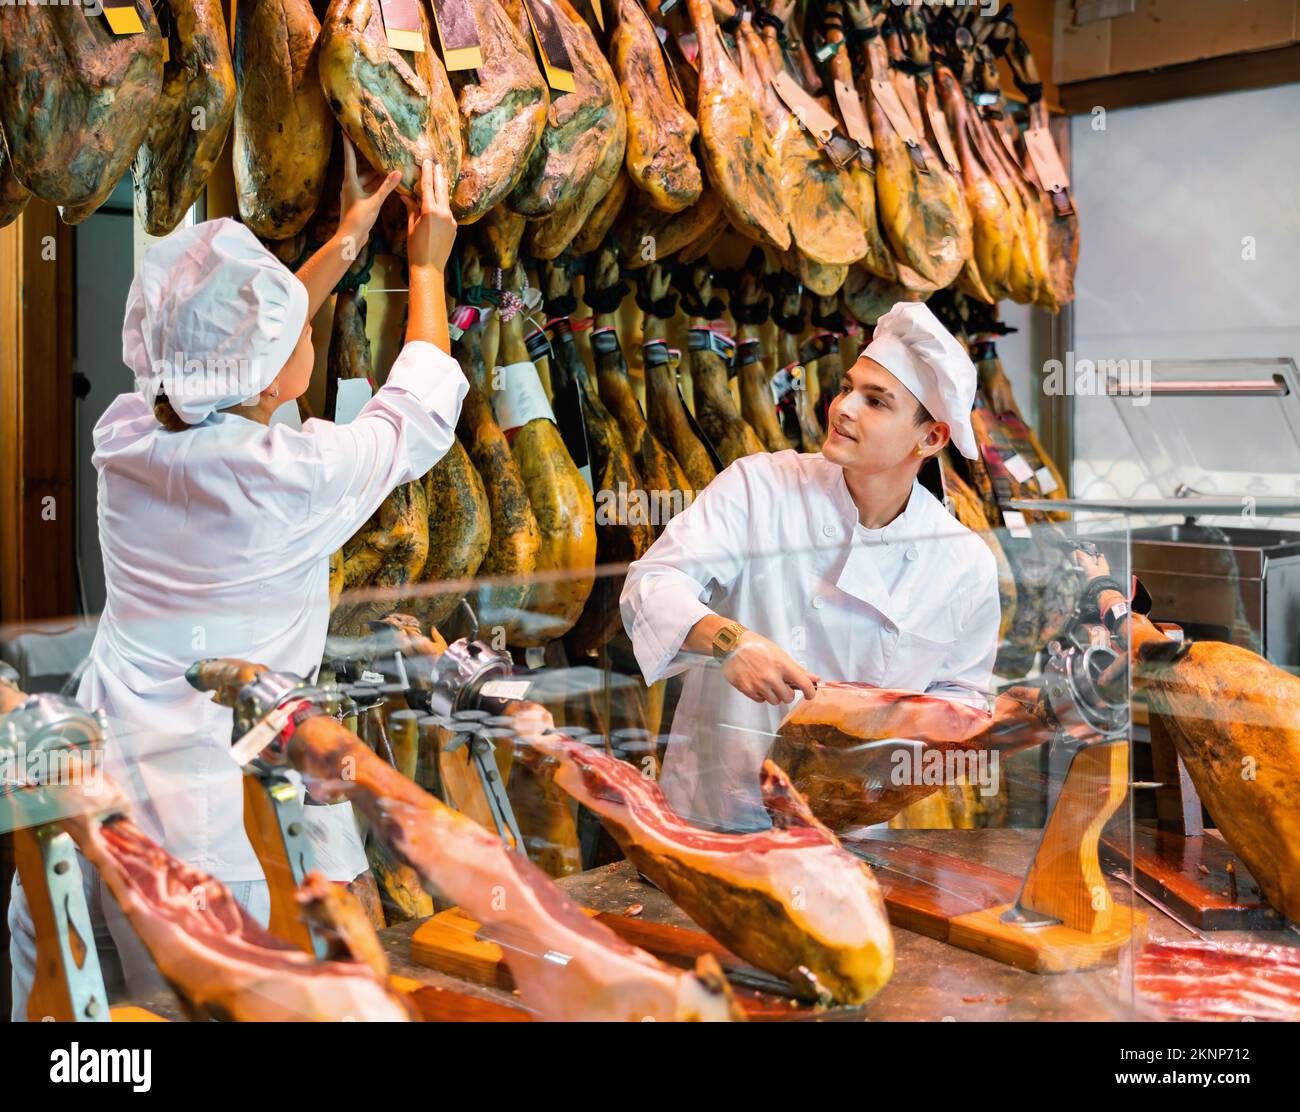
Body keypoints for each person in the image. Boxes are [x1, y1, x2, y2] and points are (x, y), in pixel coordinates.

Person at [8, 146, 461, 1018]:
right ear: (268, 373)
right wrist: (426, 265)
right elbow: (420, 412)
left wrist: (344, 241)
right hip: (213, 805)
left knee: (85, 1011)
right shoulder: (288, 476)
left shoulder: (129, 431)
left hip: (95, 766)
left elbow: (218, 359)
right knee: (201, 1002)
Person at [621, 302, 1002, 830]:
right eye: (847, 388)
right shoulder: (760, 486)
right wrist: (729, 639)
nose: (843, 407)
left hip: (853, 832)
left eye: (876, 401)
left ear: (931, 438)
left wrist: (889, 747)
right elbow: (652, 584)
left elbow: (963, 703)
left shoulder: (964, 563)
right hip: (716, 816)